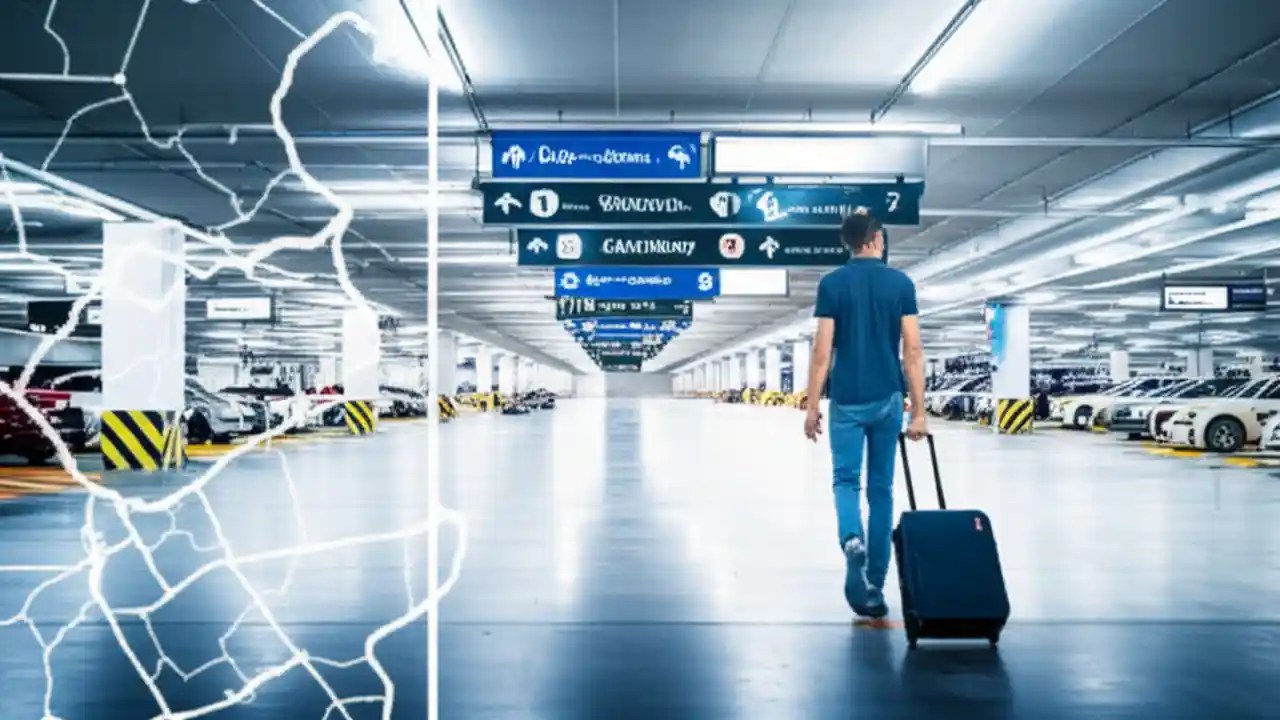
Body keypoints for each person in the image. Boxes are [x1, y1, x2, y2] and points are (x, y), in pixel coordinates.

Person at [803, 212, 927, 619]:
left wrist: (811, 405)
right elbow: (911, 351)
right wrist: (919, 413)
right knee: (881, 490)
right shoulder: (900, 284)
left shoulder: (832, 284)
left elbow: (822, 352)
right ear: (874, 239)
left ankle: (851, 541)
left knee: (844, 480)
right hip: (887, 397)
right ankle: (875, 581)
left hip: (847, 398)